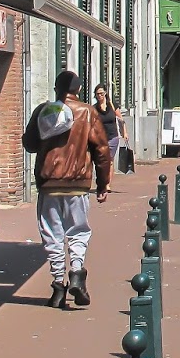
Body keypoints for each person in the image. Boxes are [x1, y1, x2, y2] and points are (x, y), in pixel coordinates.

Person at [22, 70, 111, 310]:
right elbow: (102, 150)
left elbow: (29, 144)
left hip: (49, 183)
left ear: (56, 88)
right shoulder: (88, 112)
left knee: (52, 234)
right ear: (78, 90)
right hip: (77, 183)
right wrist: (102, 184)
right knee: (78, 230)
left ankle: (58, 286)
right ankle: (77, 273)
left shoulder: (43, 110)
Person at [93, 85, 126, 170]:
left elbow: (121, 120)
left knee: (110, 161)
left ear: (105, 93)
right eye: (97, 94)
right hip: (100, 139)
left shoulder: (112, 105)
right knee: (102, 161)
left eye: (101, 93)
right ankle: (103, 177)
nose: (99, 96)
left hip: (113, 137)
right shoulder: (94, 108)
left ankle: (108, 179)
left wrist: (125, 133)